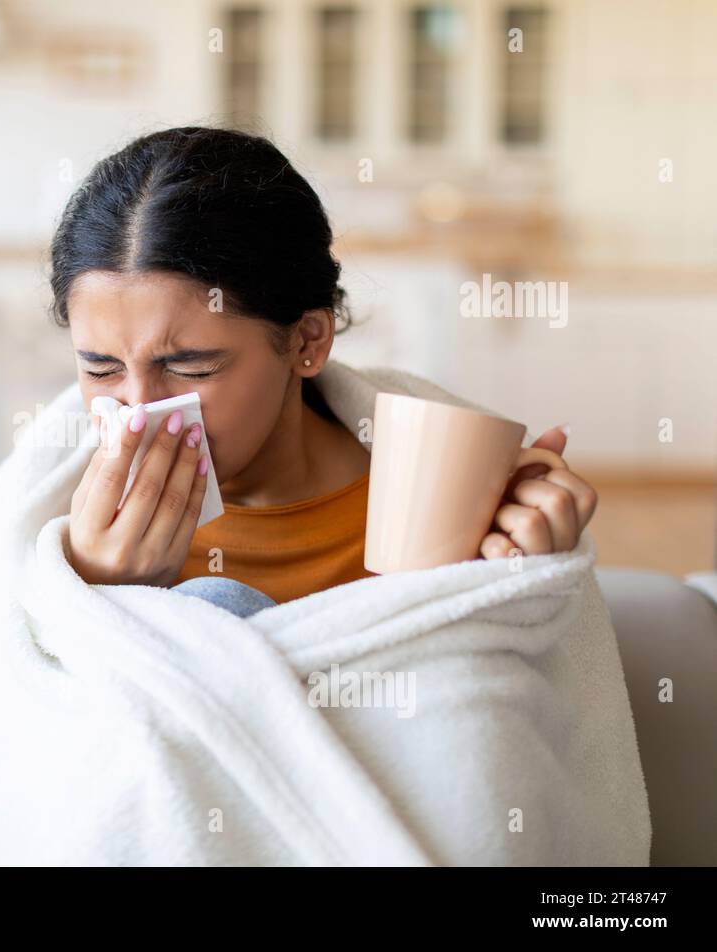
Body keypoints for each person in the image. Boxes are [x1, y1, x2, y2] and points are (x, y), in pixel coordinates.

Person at [48, 127, 597, 617]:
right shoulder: (55, 511)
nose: (138, 411)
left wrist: (524, 587)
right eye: (101, 369)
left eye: (192, 366)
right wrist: (94, 597)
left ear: (307, 340)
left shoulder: (435, 504)